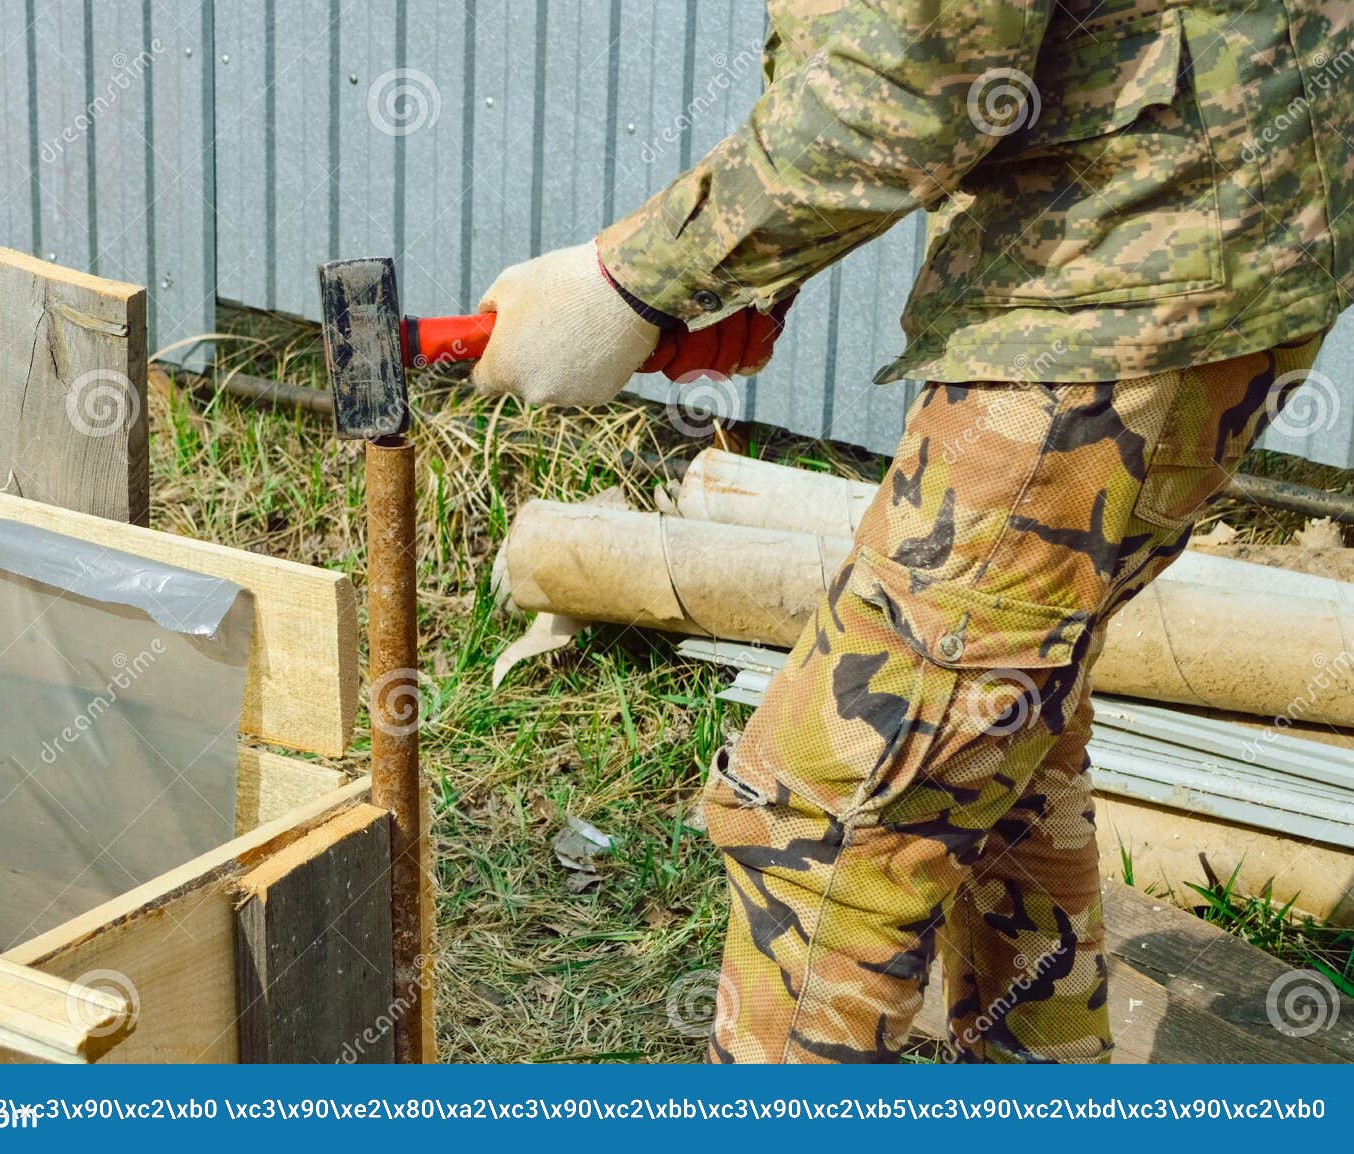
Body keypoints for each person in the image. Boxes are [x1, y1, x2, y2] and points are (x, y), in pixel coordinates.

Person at [471, 0, 1351, 1063]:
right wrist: (758, 257)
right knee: (997, 739)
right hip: (1198, 244)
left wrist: (628, 281)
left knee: (828, 816)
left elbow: (916, 59)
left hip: (1122, 278)